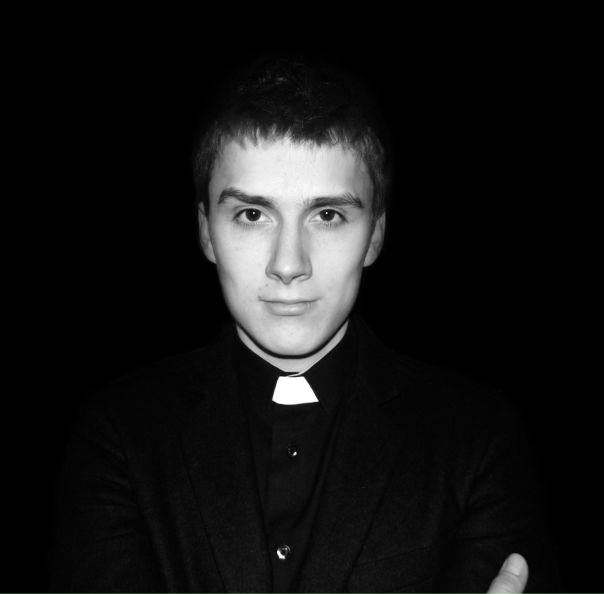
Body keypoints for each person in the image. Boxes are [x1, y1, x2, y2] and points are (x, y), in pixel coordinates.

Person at [50, 55, 558, 592]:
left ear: (375, 235)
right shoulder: (119, 433)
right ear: (205, 232)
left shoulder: (477, 437)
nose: (289, 264)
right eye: (252, 214)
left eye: (328, 215)